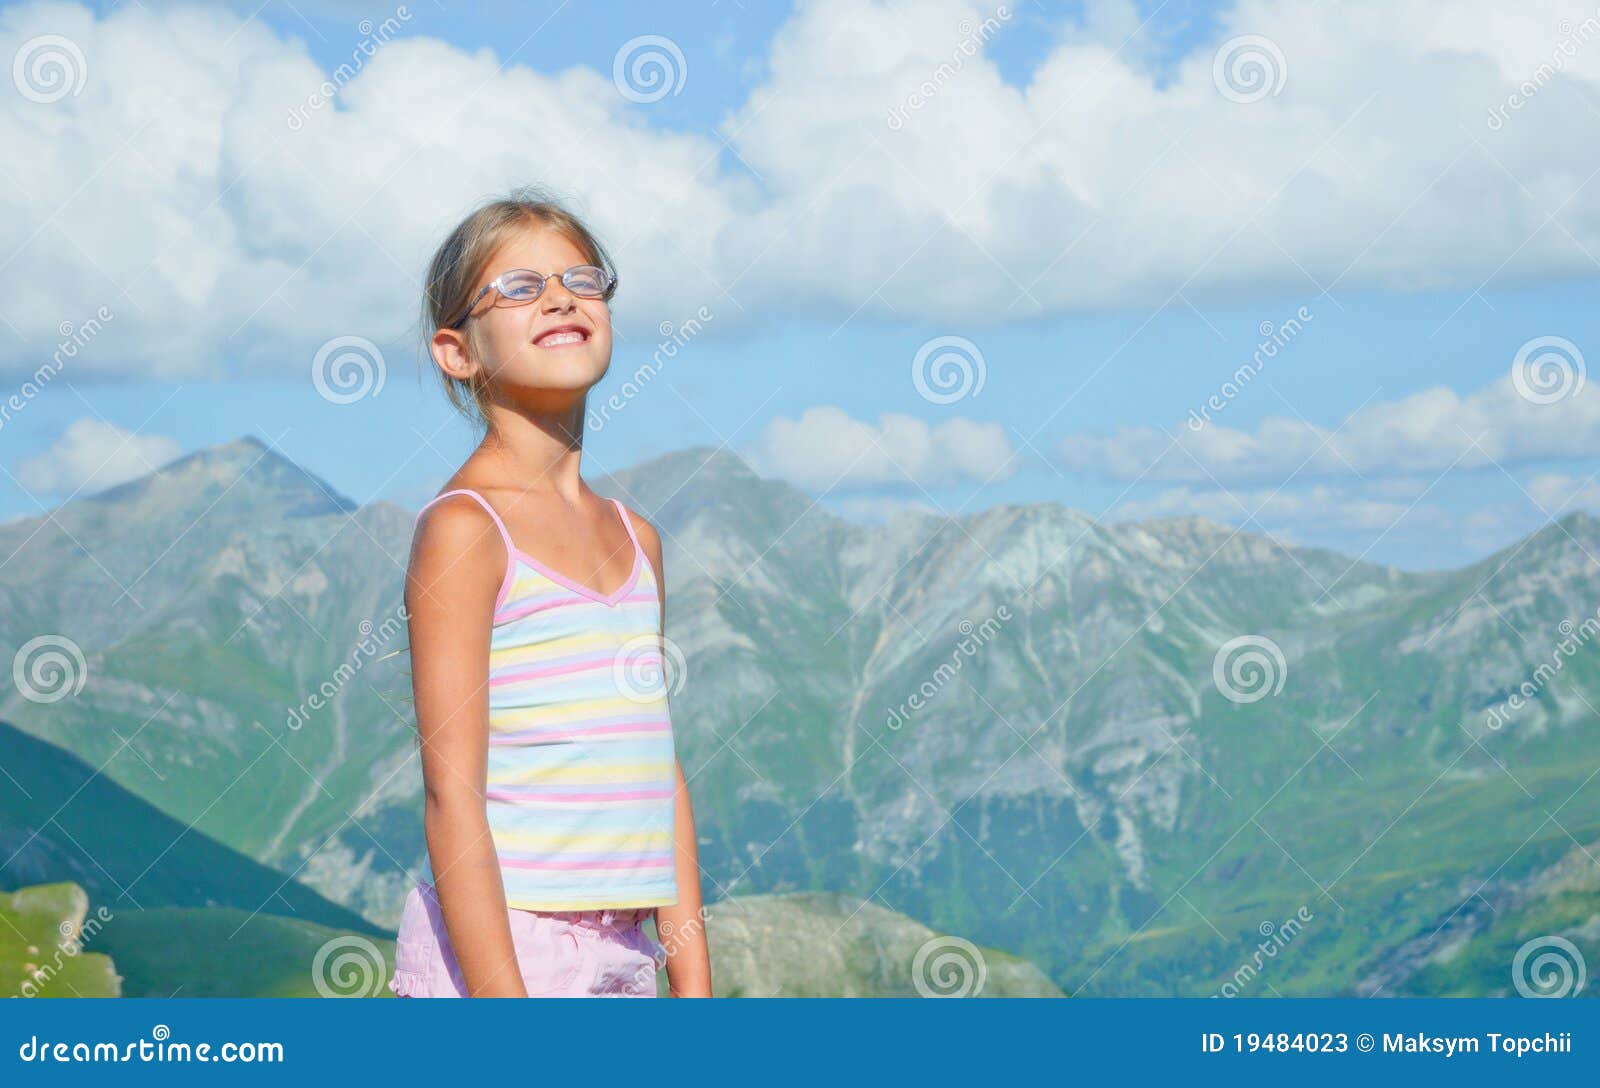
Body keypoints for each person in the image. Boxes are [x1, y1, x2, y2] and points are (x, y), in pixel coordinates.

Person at [390, 186, 711, 998]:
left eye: (582, 279)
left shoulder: (638, 541)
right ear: (456, 352)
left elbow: (657, 776)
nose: (561, 296)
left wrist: (696, 993)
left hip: (627, 954)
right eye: (520, 287)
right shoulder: (467, 530)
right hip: (509, 959)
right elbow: (450, 796)